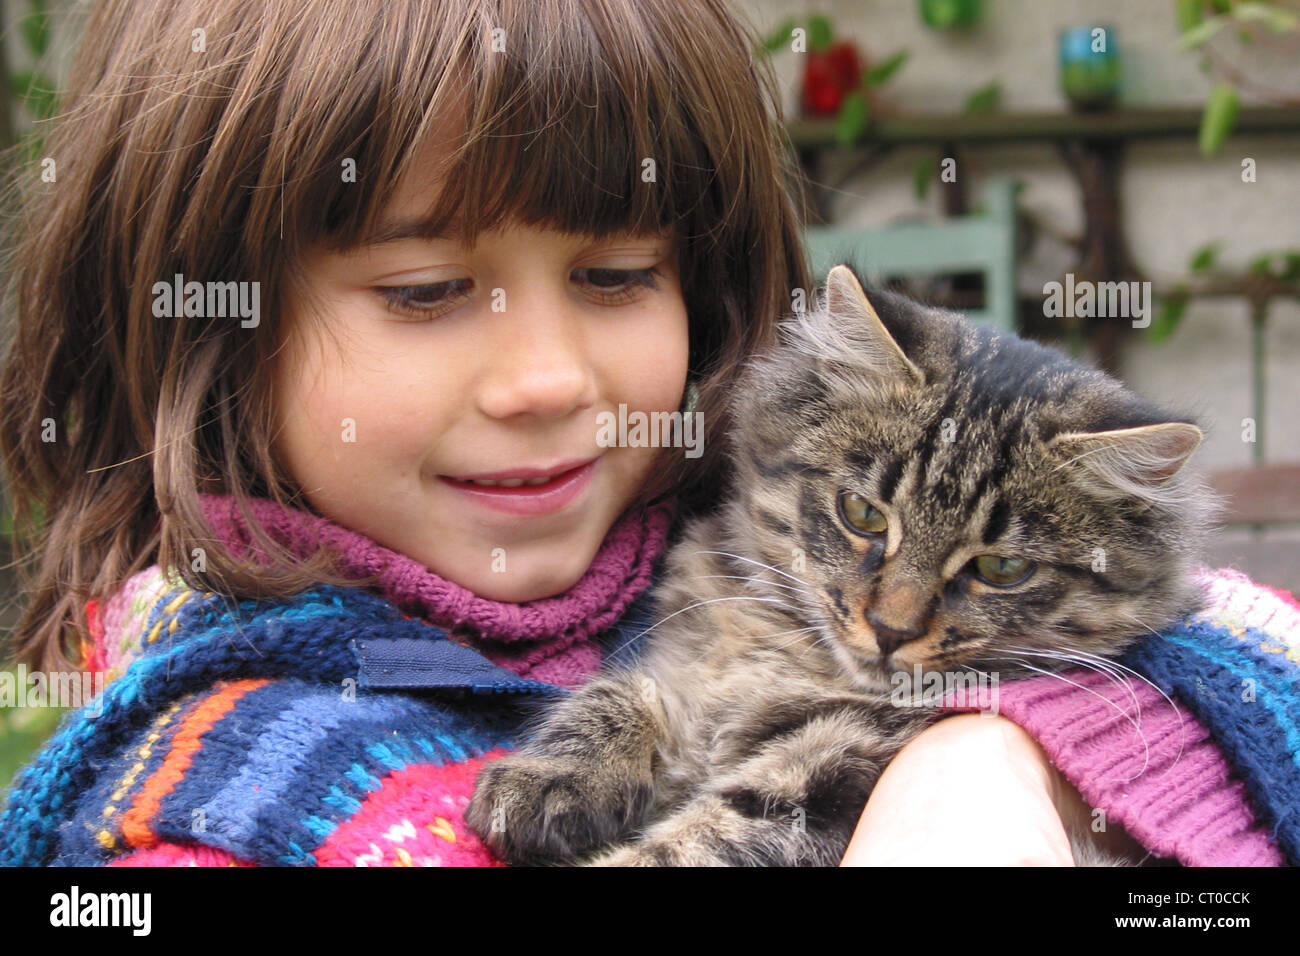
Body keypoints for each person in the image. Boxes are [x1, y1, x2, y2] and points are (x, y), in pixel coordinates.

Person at [0, 0, 1294, 867]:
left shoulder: (724, 535)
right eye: (426, 291)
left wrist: (989, 760)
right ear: (210, 324)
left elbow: (1248, 659)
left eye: (617, 276)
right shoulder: (188, 794)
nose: (548, 377)